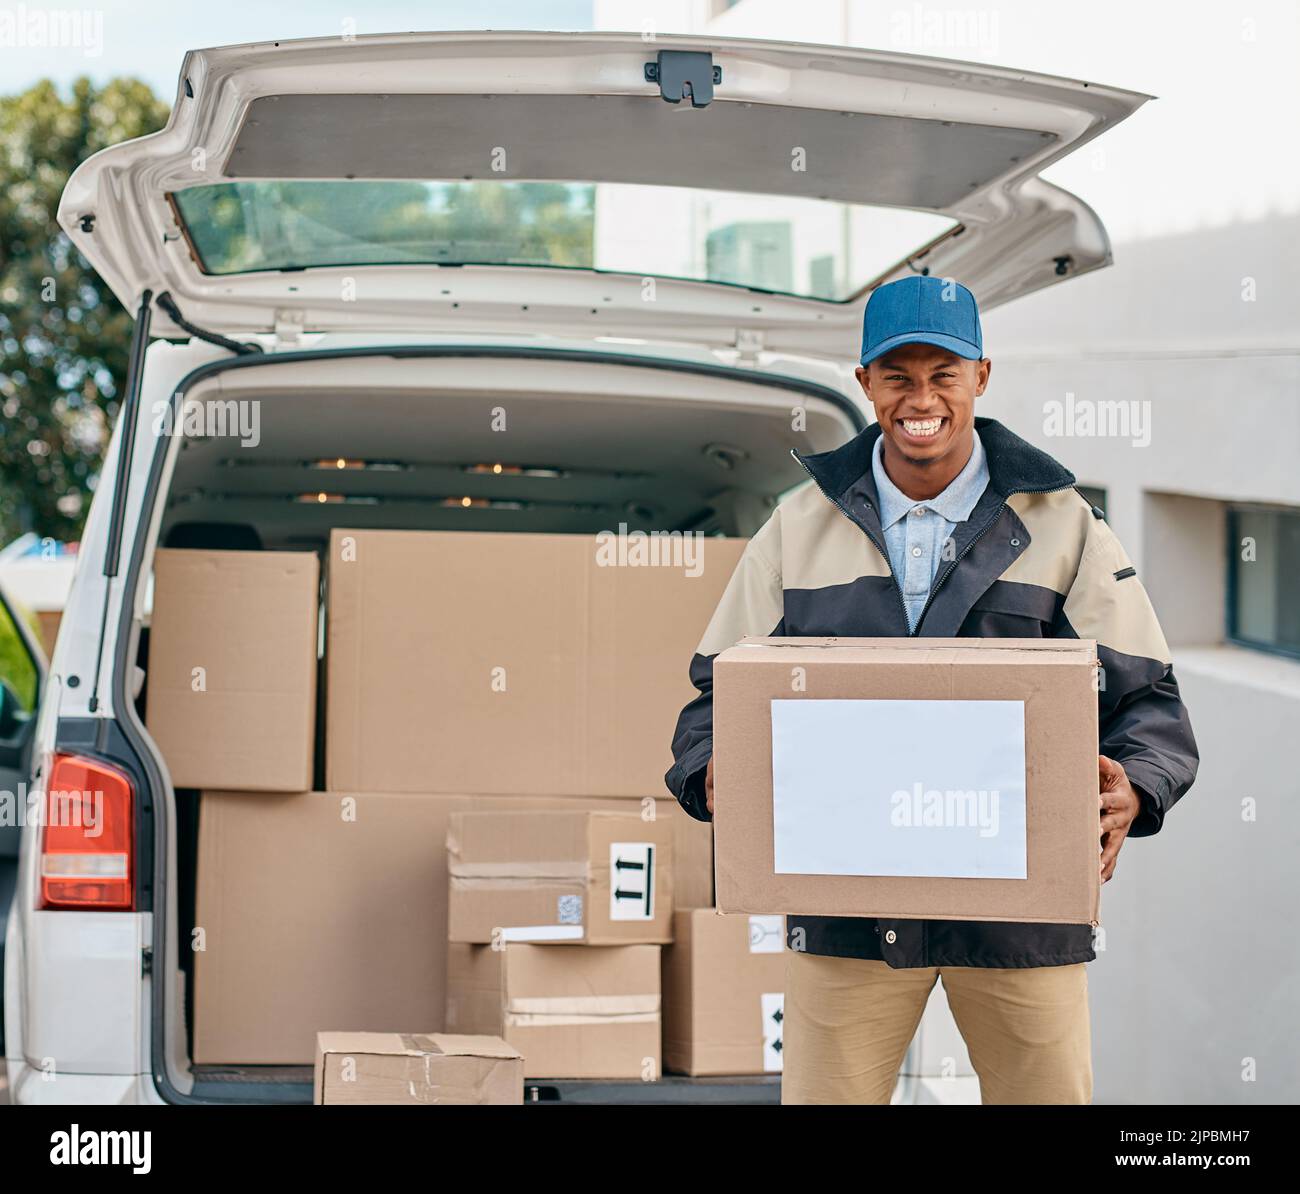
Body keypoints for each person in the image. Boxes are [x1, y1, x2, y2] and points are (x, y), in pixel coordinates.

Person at [664, 274, 1198, 1105]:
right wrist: (715, 779)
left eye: (943, 373)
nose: (921, 397)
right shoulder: (796, 529)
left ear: (981, 377)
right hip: (848, 914)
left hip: (1023, 916)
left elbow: (1150, 704)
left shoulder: (1065, 526)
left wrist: (1139, 786)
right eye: (898, 374)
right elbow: (712, 703)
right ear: (865, 384)